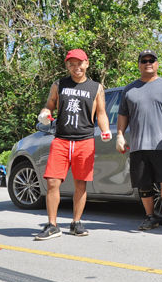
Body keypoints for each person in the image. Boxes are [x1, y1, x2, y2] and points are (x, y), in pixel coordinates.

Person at [34, 49, 111, 240]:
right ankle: (52, 225)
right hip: (61, 140)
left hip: (84, 141)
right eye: (72, 64)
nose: (76, 67)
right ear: (67, 66)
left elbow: (100, 113)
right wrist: (44, 113)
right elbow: (50, 105)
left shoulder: (96, 87)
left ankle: (76, 222)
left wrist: (105, 130)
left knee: (81, 184)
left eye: (79, 63)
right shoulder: (59, 84)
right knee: (52, 182)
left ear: (87, 63)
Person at [116, 50, 162, 232]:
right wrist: (120, 135)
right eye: (144, 60)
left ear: (157, 64)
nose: (148, 63)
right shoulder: (129, 89)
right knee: (143, 184)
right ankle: (150, 217)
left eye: (151, 60)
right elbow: (123, 115)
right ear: (139, 64)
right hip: (138, 146)